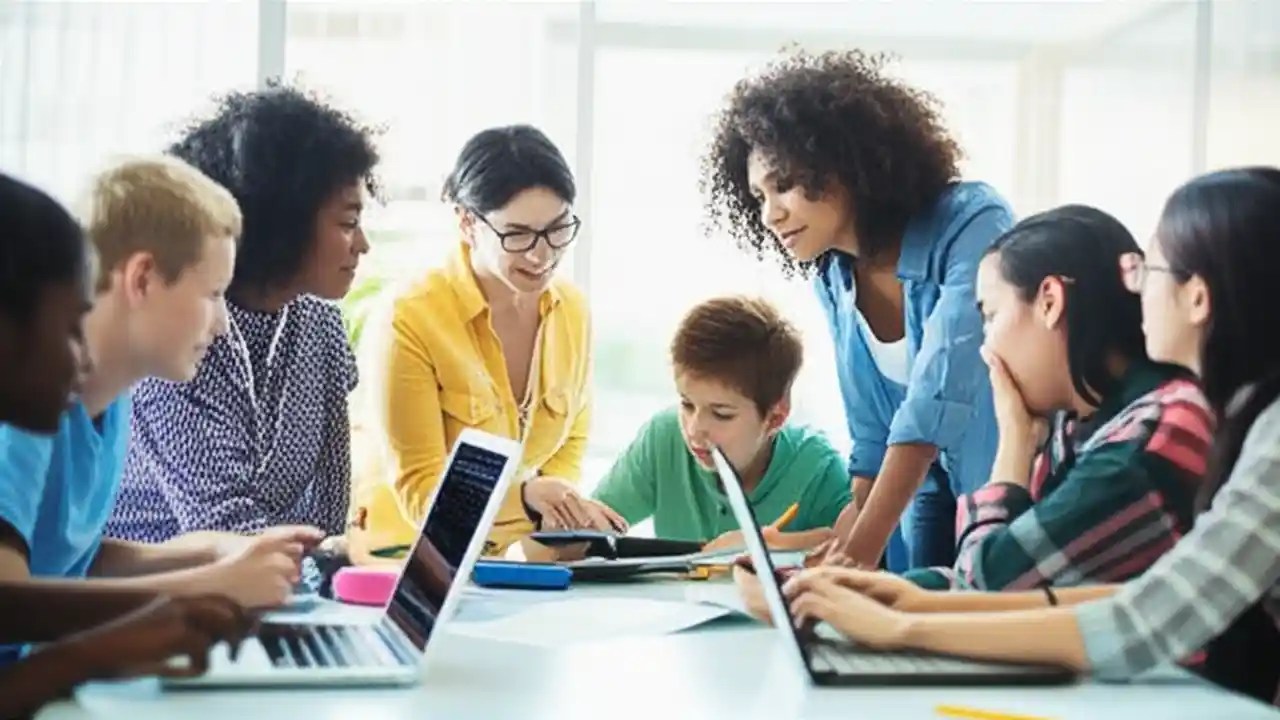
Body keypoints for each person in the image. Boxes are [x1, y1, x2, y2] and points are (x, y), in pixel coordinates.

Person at [781, 168, 1280, 703]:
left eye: (1148, 270)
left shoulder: (1175, 431)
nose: (1135, 287)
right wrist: (895, 598)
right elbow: (1135, 599)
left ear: (1198, 297)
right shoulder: (1114, 422)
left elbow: (1137, 617)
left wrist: (904, 624)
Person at [700, 49, 1012, 571]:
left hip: (1004, 497)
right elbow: (871, 437)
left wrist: (857, 555)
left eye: (783, 185)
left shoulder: (971, 222)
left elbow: (936, 396)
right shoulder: (834, 278)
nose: (770, 214)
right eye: (758, 196)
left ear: (844, 165)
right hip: (921, 504)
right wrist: (825, 554)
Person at [0, 157, 308, 669]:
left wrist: (208, 552)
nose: (223, 325)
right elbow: (9, 601)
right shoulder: (25, 403)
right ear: (142, 279)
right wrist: (204, 587)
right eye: (213, 294)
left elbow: (63, 562)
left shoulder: (115, 403)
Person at [107, 85, 380, 542]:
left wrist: (330, 563)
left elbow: (329, 499)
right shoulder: (181, 335)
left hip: (266, 570)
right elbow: (221, 525)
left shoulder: (319, 321)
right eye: (348, 223)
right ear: (286, 221)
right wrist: (302, 565)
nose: (363, 244)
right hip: (164, 573)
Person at [896, 205, 1211, 591]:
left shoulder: (1149, 440)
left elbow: (988, 589)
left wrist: (1014, 445)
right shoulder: (1080, 423)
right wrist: (869, 589)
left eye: (991, 316)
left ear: (1050, 301)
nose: (986, 346)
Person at [354, 125, 605, 556]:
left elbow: (568, 445)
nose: (541, 254)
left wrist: (555, 514)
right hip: (401, 565)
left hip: (496, 567)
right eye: (517, 234)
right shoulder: (410, 316)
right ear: (467, 222)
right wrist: (526, 499)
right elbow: (421, 491)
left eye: (557, 228)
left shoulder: (572, 311)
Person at [591, 296, 850, 550]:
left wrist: (775, 544)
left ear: (774, 418)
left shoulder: (820, 469)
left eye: (721, 414)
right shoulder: (664, 437)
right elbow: (592, 531)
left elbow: (859, 550)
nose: (693, 429)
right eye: (687, 404)